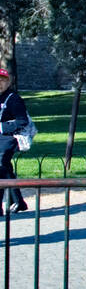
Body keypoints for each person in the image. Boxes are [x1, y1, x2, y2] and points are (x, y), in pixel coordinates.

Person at [0, 69, 29, 212]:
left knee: (0, 165)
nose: (0, 83)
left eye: (2, 80)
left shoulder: (13, 99)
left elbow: (23, 121)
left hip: (9, 138)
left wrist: (1, 127)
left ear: (8, 82)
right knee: (5, 169)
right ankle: (18, 201)